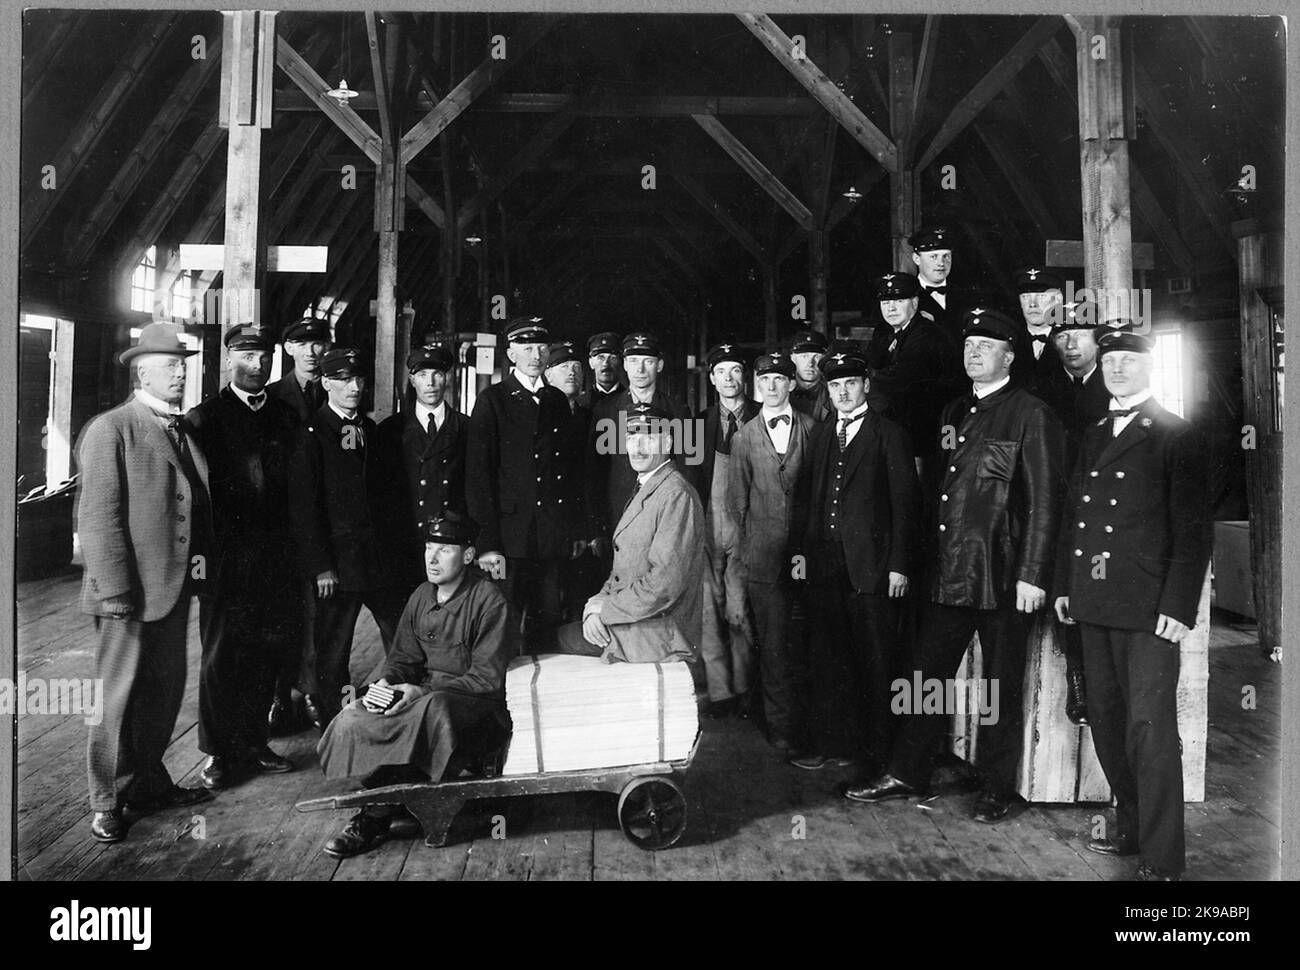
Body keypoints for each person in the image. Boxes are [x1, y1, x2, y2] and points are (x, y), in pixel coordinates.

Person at [846, 308, 1065, 823]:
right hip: (949, 575)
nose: (973, 353)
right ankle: (906, 770)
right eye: (968, 345)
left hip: (1004, 577)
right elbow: (939, 496)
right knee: (926, 678)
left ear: (1010, 357)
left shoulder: (1032, 414)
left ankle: (996, 787)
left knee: (1000, 686)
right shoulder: (952, 412)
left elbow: (1047, 502)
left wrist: (1033, 573)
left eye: (986, 346)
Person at [1054, 328, 1211, 881]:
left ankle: (1164, 860)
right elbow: (1075, 515)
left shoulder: (1175, 434)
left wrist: (1179, 604)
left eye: (1129, 360)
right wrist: (1067, 585)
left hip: (1148, 606)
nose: (1118, 369)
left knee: (1150, 728)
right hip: (1094, 600)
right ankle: (1130, 826)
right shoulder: (1093, 432)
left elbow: (1192, 530)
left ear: (1149, 367)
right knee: (1106, 717)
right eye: (1110, 360)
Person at [76, 322, 214, 843]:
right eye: (170, 365)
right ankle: (106, 801)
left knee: (162, 692)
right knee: (115, 699)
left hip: (171, 588)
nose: (180, 372)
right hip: (126, 594)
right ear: (142, 372)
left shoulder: (180, 427)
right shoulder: (113, 428)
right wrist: (114, 592)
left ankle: (149, 782)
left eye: (183, 364)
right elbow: (98, 518)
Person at [317, 512, 517, 859]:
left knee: (431, 708)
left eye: (444, 550)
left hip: (476, 711)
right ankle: (385, 795)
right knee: (355, 711)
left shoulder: (489, 601)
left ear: (469, 556)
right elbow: (402, 659)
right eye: (429, 548)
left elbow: (487, 679)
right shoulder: (422, 596)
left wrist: (420, 692)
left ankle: (376, 814)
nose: (432, 558)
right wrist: (382, 685)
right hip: (423, 702)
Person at [789, 350, 920, 773]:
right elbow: (811, 497)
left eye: (850, 384)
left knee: (876, 660)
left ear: (865, 386)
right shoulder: (826, 431)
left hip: (873, 568)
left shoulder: (889, 434)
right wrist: (805, 556)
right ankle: (836, 744)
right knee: (830, 657)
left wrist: (899, 564)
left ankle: (877, 755)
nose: (842, 392)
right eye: (834, 386)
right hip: (827, 565)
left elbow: (906, 504)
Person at [186, 325, 298, 790]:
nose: (258, 364)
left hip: (275, 560)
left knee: (265, 652)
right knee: (220, 655)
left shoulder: (286, 417)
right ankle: (216, 751)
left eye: (264, 356)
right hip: (225, 562)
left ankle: (254, 742)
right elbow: (191, 497)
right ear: (228, 360)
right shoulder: (204, 418)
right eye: (247, 356)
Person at [288, 348, 411, 730]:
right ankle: (335, 725)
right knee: (333, 651)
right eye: (343, 380)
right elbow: (304, 509)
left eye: (358, 379)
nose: (354, 387)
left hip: (377, 562)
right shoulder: (310, 435)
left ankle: (400, 712)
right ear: (326, 384)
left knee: (402, 637)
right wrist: (321, 566)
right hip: (338, 568)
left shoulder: (371, 431)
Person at [466, 319, 585, 652]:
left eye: (542, 348)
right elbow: (479, 476)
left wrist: (571, 530)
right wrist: (487, 542)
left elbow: (568, 473)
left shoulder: (556, 401)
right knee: (502, 625)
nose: (536, 355)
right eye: (528, 348)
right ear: (511, 353)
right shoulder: (493, 400)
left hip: (549, 533)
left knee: (547, 620)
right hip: (509, 536)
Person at [556, 403, 705, 663]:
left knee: (548, 639)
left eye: (648, 437)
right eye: (632, 436)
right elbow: (623, 571)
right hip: (636, 620)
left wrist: (606, 610)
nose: (637, 447)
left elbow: (664, 585)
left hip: (659, 632)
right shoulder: (649, 486)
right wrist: (596, 606)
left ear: (668, 443)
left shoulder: (675, 494)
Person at [728, 351, 815, 752]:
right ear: (756, 386)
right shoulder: (743, 437)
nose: (772, 386)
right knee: (774, 646)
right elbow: (738, 504)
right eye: (765, 380)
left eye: (780, 379)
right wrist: (750, 555)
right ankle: (782, 731)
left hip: (810, 557)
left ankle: (815, 727)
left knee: (813, 641)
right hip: (765, 560)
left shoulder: (815, 430)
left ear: (792, 384)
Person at [1035, 301, 1111, 723]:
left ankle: (1093, 679)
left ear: (1097, 341)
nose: (1070, 345)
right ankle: (1078, 679)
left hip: (1101, 505)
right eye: (1062, 336)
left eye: (1080, 336)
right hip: (1055, 499)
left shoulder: (1113, 386)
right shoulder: (1043, 387)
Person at [265, 315, 331, 733]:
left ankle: (313, 691)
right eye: (301, 344)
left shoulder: (339, 390)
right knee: (280, 617)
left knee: (320, 616)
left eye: (318, 344)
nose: (311, 351)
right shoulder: (271, 399)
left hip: (325, 526)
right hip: (282, 530)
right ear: (288, 350)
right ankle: (278, 697)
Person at [698, 343, 761, 718]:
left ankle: (745, 691)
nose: (729, 379)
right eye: (722, 372)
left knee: (740, 614)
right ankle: (721, 694)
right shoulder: (696, 421)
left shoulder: (760, 417)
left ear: (744, 377)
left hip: (745, 529)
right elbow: (689, 478)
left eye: (736, 371)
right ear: (712, 379)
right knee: (708, 613)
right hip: (707, 526)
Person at [585, 330, 693, 544]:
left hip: (663, 515)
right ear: (624, 364)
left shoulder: (679, 410)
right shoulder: (605, 410)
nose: (640, 369)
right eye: (633, 361)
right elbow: (594, 472)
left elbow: (690, 467)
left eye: (648, 361)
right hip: (617, 515)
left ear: (659, 365)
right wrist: (596, 526)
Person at [375, 345, 468, 586]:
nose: (431, 382)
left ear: (447, 378)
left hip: (449, 539)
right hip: (406, 540)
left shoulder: (467, 428)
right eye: (423, 375)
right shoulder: (389, 430)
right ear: (412, 380)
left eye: (437, 374)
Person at [864, 271, 962, 478]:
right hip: (898, 427)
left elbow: (896, 380)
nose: (891, 308)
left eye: (899, 301)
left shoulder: (927, 334)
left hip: (925, 436)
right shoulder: (884, 332)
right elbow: (872, 362)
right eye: (885, 302)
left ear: (915, 303)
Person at [544, 339, 604, 618]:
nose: (571, 372)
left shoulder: (591, 419)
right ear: (547, 374)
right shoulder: (536, 417)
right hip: (546, 531)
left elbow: (595, 480)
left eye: (576, 367)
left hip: (582, 530)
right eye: (562, 366)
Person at [1010, 266, 1067, 395]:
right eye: (1025, 297)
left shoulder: (1069, 342)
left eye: (1041, 296)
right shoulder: (1009, 342)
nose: (1032, 304)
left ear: (1058, 300)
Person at [266, 316, 330, 422]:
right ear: (289, 348)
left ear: (326, 347)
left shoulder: (340, 390)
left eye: (316, 345)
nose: (310, 353)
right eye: (302, 345)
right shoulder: (271, 394)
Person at [909, 225, 959, 338]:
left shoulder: (966, 293)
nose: (941, 263)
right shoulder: (906, 295)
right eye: (933, 257)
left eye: (946, 256)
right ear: (916, 259)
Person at [787, 329, 833, 423]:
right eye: (804, 356)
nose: (810, 364)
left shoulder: (834, 394)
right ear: (793, 358)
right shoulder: (781, 393)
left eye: (816, 357)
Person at [581, 330, 624, 405]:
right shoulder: (581, 403)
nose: (606, 363)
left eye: (612, 358)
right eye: (600, 358)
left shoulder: (632, 400)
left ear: (620, 362)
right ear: (591, 363)